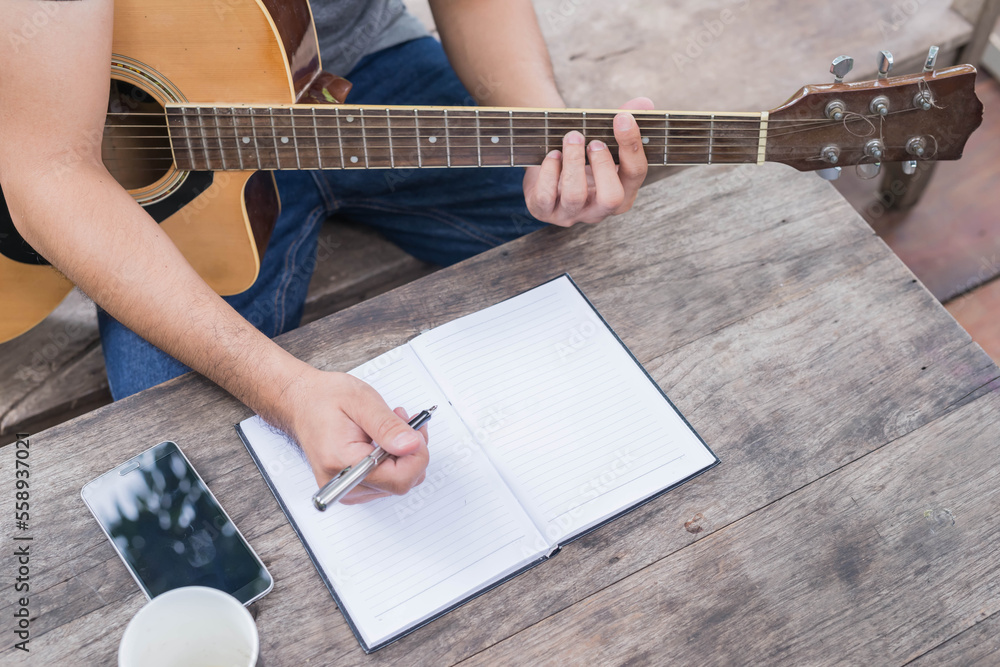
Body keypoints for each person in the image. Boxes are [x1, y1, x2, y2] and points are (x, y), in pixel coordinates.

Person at [0, 0, 650, 504]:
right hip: (139, 118)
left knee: (597, 248)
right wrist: (287, 392)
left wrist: (546, 134)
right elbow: (49, 170)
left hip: (369, 73)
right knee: (166, 457)